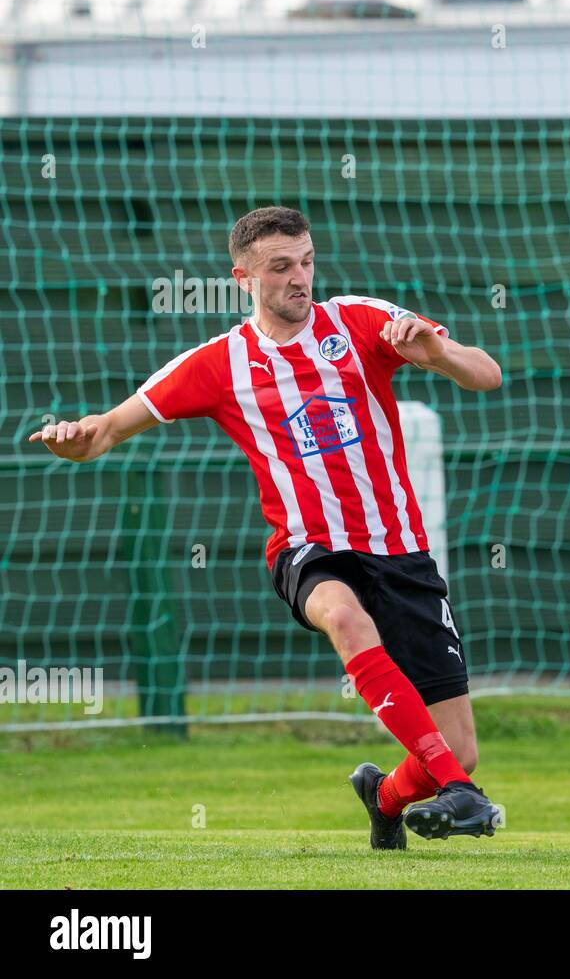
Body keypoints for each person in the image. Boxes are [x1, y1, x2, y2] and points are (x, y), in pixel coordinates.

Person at [30, 206, 503, 849]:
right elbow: (104, 431)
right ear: (244, 279)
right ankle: (463, 796)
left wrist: (437, 352)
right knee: (343, 618)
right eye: (281, 268)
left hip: (399, 548)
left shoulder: (361, 321)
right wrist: (72, 438)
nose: (299, 279)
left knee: (459, 749)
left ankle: (386, 794)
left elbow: (487, 374)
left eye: (306, 262)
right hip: (306, 547)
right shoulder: (219, 363)